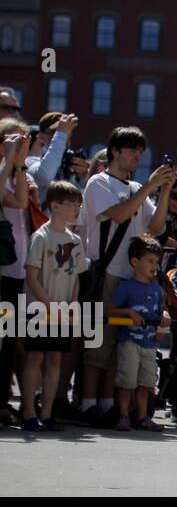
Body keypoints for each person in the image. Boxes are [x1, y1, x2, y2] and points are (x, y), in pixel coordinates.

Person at [79, 127, 173, 426]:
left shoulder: (135, 187)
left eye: (140, 151)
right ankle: (87, 405)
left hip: (132, 276)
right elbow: (118, 215)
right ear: (115, 151)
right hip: (105, 271)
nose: (137, 156)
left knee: (120, 348)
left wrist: (165, 188)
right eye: (132, 150)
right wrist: (149, 186)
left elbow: (156, 227)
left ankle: (109, 407)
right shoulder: (99, 182)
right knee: (98, 346)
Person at [19, 181, 88, 431]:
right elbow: (32, 277)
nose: (76, 208)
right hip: (39, 308)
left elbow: (76, 279)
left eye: (79, 204)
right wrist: (50, 306)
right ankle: (28, 412)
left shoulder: (76, 241)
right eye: (72, 204)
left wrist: (71, 306)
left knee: (55, 359)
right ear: (55, 205)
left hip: (62, 310)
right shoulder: (41, 237)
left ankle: (47, 413)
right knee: (35, 356)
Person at [108, 234, 170, 431]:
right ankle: (124, 415)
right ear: (135, 262)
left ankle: (142, 416)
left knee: (146, 382)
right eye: (150, 261)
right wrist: (127, 312)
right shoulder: (126, 287)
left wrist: (164, 320)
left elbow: (162, 311)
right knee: (127, 381)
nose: (155, 266)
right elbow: (109, 310)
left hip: (150, 344)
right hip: (129, 342)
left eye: (157, 262)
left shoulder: (158, 290)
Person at [0, 119, 38, 427]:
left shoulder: (16, 176)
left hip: (16, 269)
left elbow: (22, 202)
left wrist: (20, 163)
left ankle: (2, 402)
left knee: (9, 339)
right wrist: (6, 159)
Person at [26, 112, 78, 201]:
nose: (66, 135)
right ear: (41, 137)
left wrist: (82, 178)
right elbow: (44, 176)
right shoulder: (30, 161)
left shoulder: (69, 163)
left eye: (68, 130)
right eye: (56, 131)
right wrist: (61, 134)